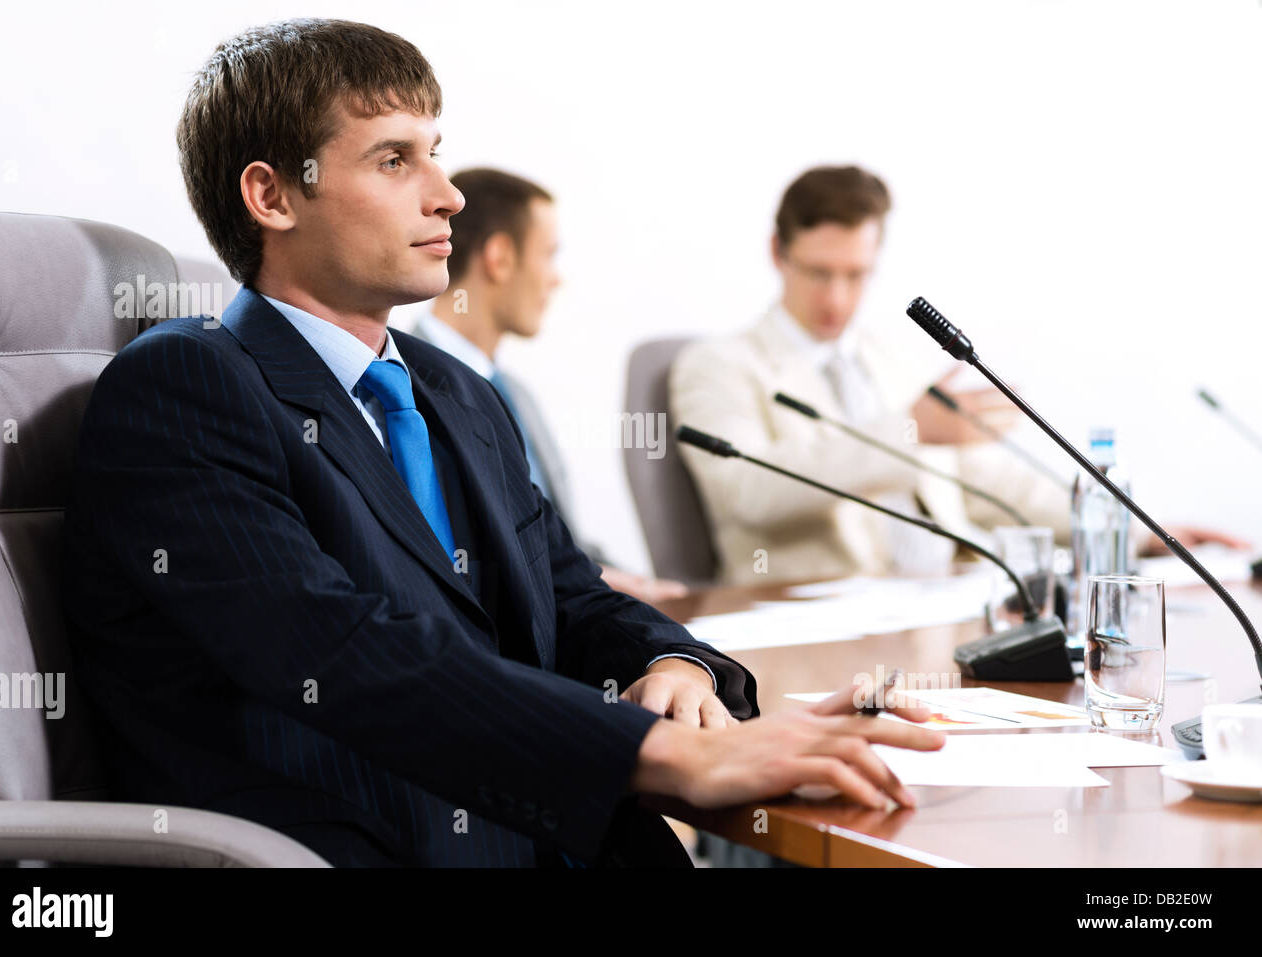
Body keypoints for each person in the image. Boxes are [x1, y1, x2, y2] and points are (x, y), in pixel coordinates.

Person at [62, 20, 943, 868]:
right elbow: (351, 655)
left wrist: (674, 668)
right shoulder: (185, 388)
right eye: (394, 159)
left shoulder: (455, 394)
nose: (447, 194)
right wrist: (667, 758)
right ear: (272, 195)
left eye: (435, 152)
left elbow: (576, 599)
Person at [671, 165, 1247, 586]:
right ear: (778, 252)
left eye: (856, 274)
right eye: (819, 272)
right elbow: (747, 492)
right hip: (811, 613)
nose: (836, 296)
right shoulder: (718, 364)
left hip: (941, 604)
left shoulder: (890, 357)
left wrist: (1137, 532)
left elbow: (988, 479)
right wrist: (906, 431)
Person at [410, 167, 686, 604]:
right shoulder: (403, 392)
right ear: (499, 257)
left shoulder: (514, 392)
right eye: (549, 254)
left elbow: (558, 537)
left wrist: (638, 590)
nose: (556, 278)